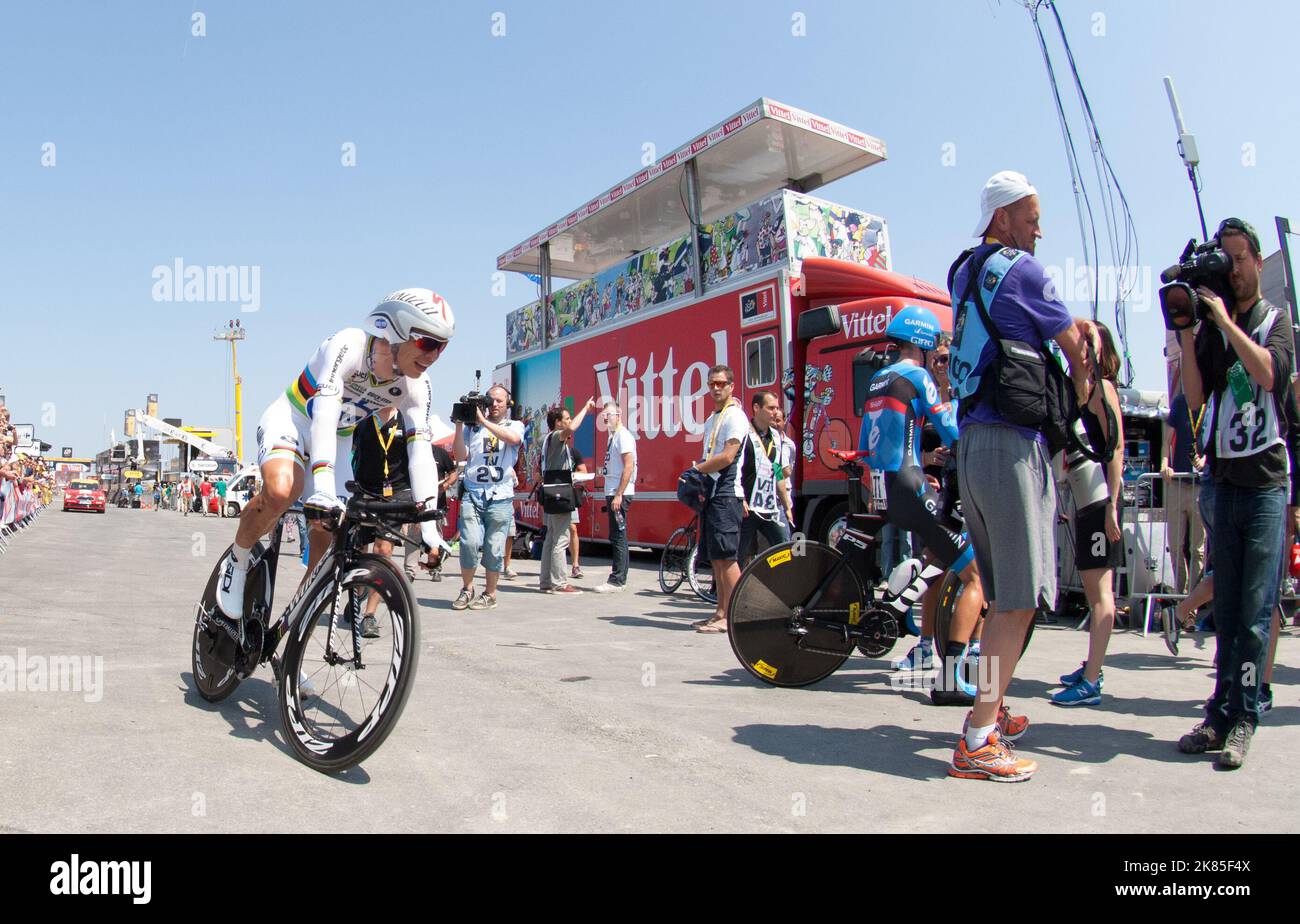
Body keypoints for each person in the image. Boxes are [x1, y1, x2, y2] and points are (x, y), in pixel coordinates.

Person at [945, 171, 1095, 781]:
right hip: (1012, 446)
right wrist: (1083, 383)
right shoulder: (1025, 271)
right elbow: (1077, 349)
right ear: (1002, 217)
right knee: (1021, 599)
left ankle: (993, 706)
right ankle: (978, 738)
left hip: (971, 445)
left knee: (1000, 598)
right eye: (1031, 217)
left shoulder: (962, 271)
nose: (1040, 228)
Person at [215, 288, 454, 623]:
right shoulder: (350, 345)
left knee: (330, 543)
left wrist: (429, 521)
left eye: (442, 346)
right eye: (428, 343)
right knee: (284, 489)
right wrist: (324, 486)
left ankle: (291, 638)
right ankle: (237, 561)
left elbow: (420, 450)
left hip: (339, 439)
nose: (435, 355)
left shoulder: (417, 385)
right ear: (398, 330)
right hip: (296, 420)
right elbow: (324, 414)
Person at [1177, 217, 1292, 768]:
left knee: (1253, 610)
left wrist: (1225, 321)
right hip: (1221, 479)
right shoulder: (1211, 328)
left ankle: (1245, 717)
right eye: (1226, 259)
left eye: (1241, 258)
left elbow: (1270, 374)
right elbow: (1196, 398)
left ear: (1258, 261)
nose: (1234, 268)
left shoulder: (1276, 321)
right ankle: (1218, 713)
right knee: (1224, 609)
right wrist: (1186, 328)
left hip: (1266, 484)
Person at [857, 306, 987, 706]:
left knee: (936, 563)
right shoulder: (918, 375)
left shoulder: (878, 379)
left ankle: (927, 646)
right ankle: (954, 678)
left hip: (882, 486)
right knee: (977, 578)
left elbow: (868, 443)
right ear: (925, 345)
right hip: (909, 484)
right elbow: (949, 427)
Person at [1051, 322, 1125, 706]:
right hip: (1085, 499)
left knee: (1100, 595)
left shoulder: (1103, 388)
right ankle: (1091, 667)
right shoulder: (1079, 389)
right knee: (1093, 587)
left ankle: (1092, 680)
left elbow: (1116, 449)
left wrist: (1112, 504)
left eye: (1085, 342)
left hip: (1099, 502)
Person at [351, 406, 441, 636]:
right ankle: (359, 590)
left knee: (383, 551)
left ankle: (369, 615)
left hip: (396, 493)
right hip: (364, 490)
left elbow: (421, 461)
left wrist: (423, 508)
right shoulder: (359, 417)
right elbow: (348, 453)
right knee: (358, 553)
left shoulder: (409, 419)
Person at [452, 384, 525, 610]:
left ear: (507, 404)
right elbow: (460, 455)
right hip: (473, 491)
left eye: (499, 401)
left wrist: (484, 422)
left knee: (494, 548)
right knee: (469, 542)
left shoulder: (515, 425)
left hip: (500, 495)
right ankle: (467, 588)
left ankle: (490, 594)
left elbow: (513, 439)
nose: (494, 405)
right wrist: (459, 424)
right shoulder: (472, 429)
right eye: (490, 400)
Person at [691, 365, 748, 633]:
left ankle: (737, 615)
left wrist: (698, 468)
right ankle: (720, 612)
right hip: (712, 495)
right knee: (715, 558)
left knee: (727, 557)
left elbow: (727, 457)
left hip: (727, 494)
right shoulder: (712, 420)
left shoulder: (734, 416)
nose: (716, 388)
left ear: (732, 386)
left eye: (722, 383)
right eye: (712, 383)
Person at [536, 400, 595, 595]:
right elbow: (571, 429)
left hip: (550, 493)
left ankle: (546, 581)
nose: (569, 422)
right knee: (561, 539)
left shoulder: (547, 440)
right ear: (558, 423)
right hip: (559, 495)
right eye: (566, 419)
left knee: (551, 538)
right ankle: (559, 583)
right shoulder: (556, 438)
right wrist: (585, 408)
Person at [739, 390, 791, 561]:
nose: (775, 412)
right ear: (756, 408)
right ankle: (721, 587)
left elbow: (777, 472)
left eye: (777, 408)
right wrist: (740, 499)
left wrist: (787, 506)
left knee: (784, 547)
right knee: (738, 554)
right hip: (747, 506)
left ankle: (781, 585)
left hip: (769, 506)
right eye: (770, 408)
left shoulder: (776, 436)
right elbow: (735, 469)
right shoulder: (744, 433)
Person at [1163, 390, 1204, 595]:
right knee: (1176, 545)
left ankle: (1193, 603)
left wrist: (1206, 460)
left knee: (1198, 549)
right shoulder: (1180, 402)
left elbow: (1216, 437)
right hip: (1178, 483)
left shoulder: (1210, 400)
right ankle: (1181, 595)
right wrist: (1164, 463)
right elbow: (1167, 439)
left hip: (1201, 485)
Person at [595, 400, 637, 593]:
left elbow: (629, 465)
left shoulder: (623, 436)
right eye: (603, 416)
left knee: (619, 536)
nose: (605, 419)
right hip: (612, 491)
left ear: (618, 415)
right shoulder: (613, 437)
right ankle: (618, 577)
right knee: (616, 535)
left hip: (619, 493)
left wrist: (619, 493)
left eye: (608, 415)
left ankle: (618, 580)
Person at [404, 441, 456, 582]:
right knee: (413, 538)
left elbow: (453, 474)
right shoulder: (410, 451)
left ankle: (435, 569)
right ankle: (410, 571)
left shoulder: (440, 452)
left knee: (434, 537)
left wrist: (446, 485)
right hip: (415, 504)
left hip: (436, 504)